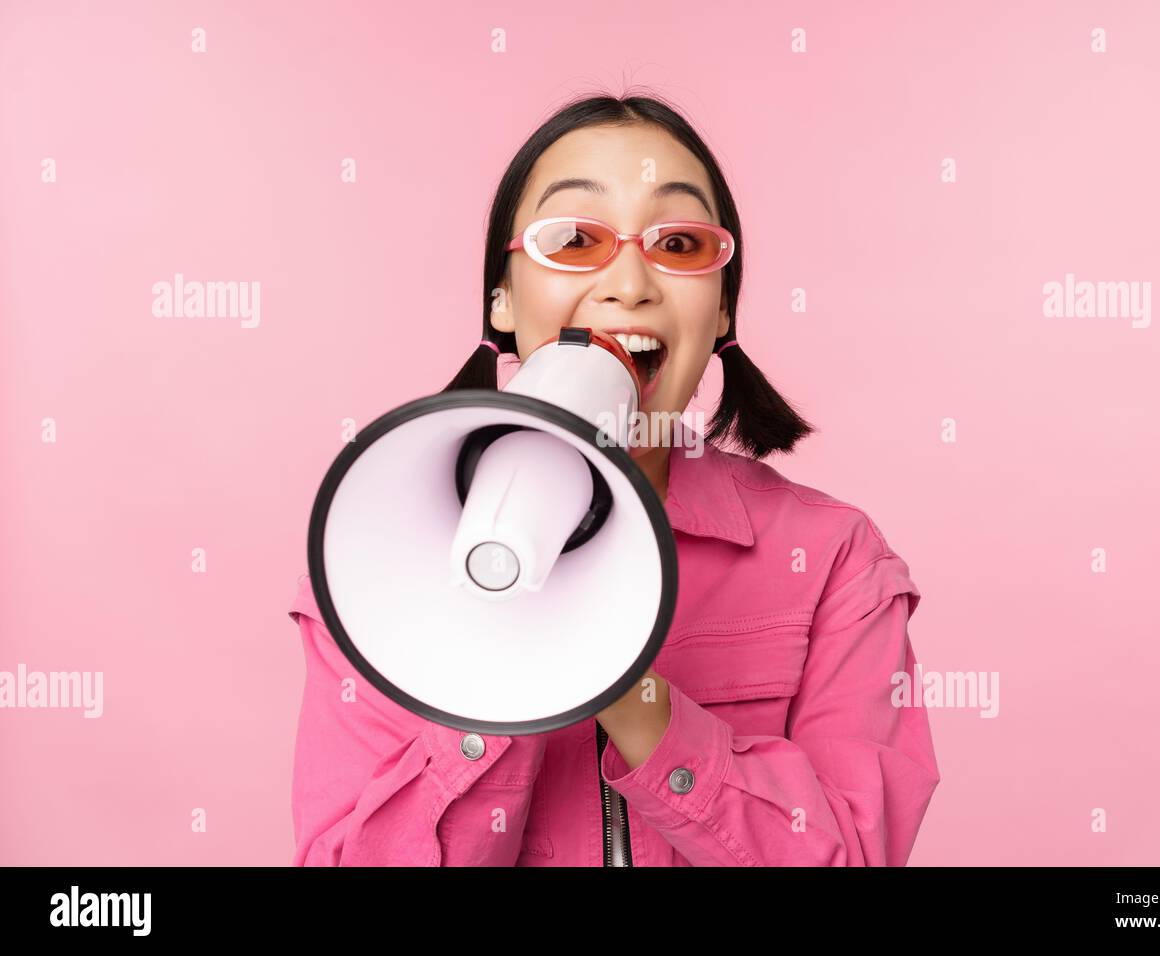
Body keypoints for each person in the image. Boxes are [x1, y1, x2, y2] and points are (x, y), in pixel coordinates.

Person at [287, 91, 940, 866]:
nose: (629, 282)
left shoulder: (834, 561)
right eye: (573, 238)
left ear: (724, 308)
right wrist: (495, 661)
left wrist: (630, 689)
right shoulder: (372, 561)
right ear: (500, 297)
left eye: (680, 244)